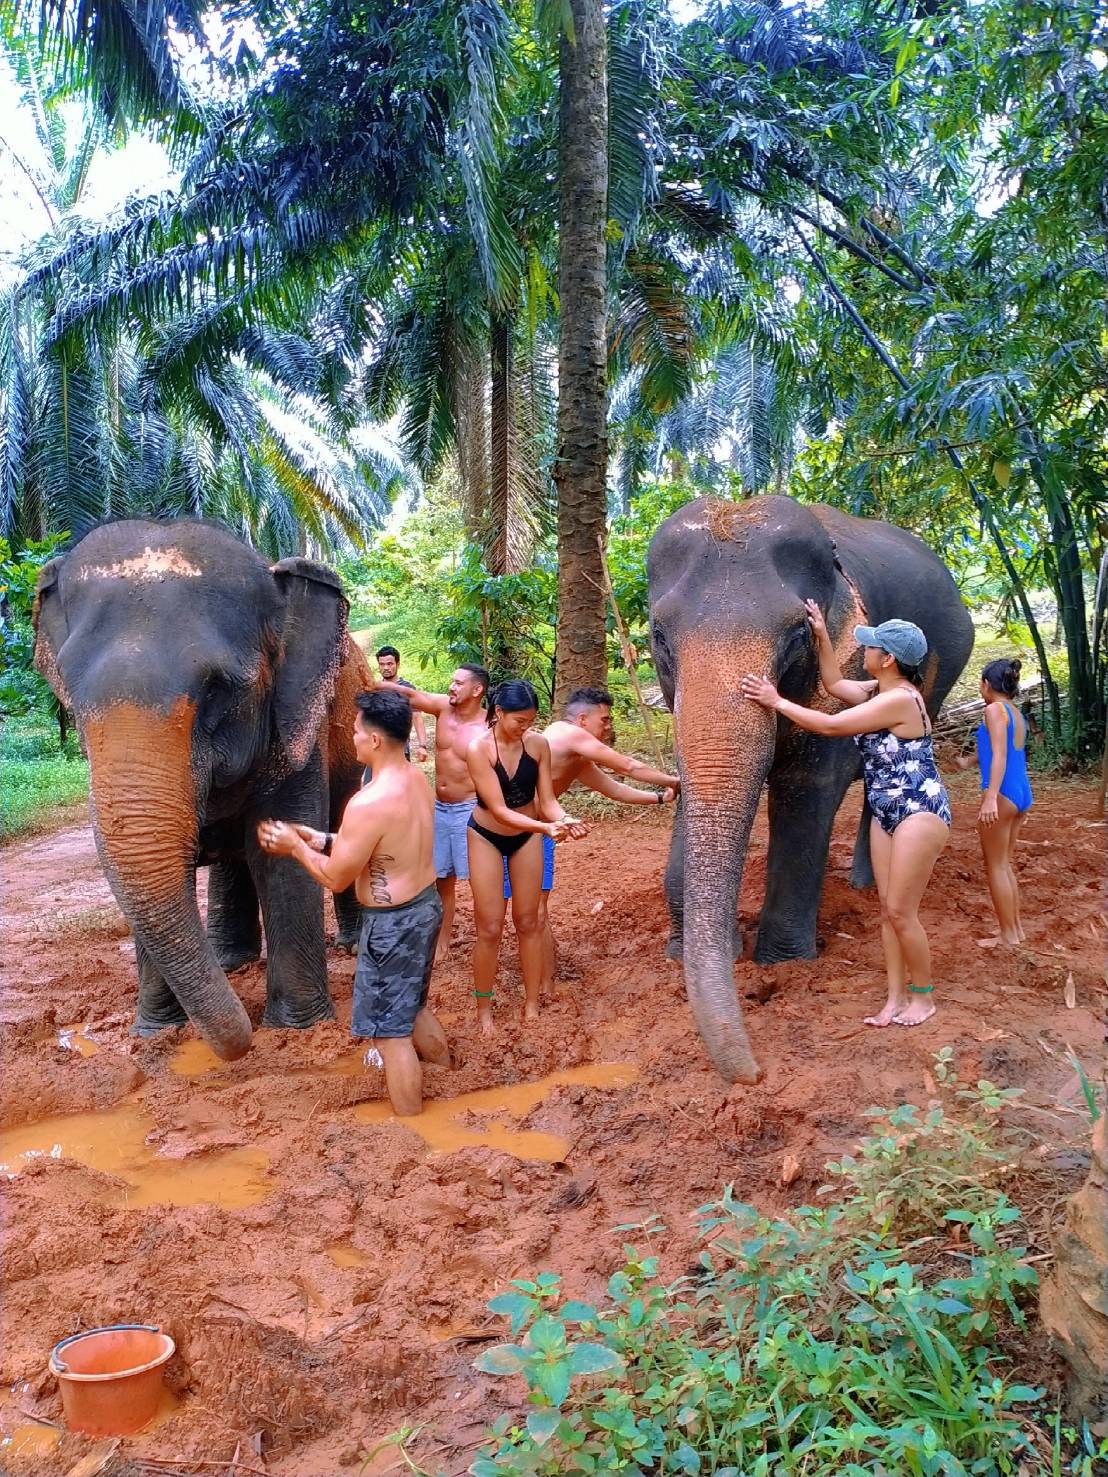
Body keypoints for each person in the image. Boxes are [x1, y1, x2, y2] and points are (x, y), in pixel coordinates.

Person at [741, 605, 950, 1029]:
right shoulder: (878, 690)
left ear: (888, 658)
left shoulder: (900, 701)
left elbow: (830, 725)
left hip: (918, 810)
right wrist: (821, 635)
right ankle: (894, 998)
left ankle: (923, 997)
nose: (865, 649)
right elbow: (835, 684)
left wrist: (775, 700)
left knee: (901, 911)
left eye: (871, 645)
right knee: (888, 912)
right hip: (886, 809)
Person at [257, 690, 449, 1116]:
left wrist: (294, 848)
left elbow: (336, 877)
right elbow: (381, 848)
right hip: (424, 907)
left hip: (392, 926)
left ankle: (413, 1128)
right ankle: (450, 1077)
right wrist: (320, 838)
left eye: (358, 730)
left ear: (376, 740)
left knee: (389, 1033)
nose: (353, 737)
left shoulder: (368, 801)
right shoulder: (415, 779)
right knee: (414, 1007)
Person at [506, 687, 682, 993]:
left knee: (536, 910)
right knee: (523, 911)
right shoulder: (564, 732)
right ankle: (534, 981)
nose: (609, 726)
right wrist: (676, 780)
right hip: (511, 826)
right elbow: (626, 766)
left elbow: (613, 789)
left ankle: (545, 982)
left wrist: (659, 798)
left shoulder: (576, 758)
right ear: (583, 719)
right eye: (605, 719)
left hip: (541, 830)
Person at [465, 680, 586, 1033]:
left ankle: (531, 1004)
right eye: (519, 720)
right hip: (486, 835)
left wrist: (563, 819)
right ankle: (483, 1009)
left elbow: (546, 801)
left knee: (529, 920)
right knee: (489, 927)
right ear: (498, 713)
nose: (525, 728)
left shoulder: (538, 745)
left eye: (530, 721)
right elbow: (499, 811)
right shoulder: (479, 750)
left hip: (529, 834)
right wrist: (545, 828)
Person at [374, 664, 491, 963]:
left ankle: (486, 939)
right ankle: (443, 937)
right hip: (440, 807)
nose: (451, 687)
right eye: (451, 681)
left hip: (470, 809)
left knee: (480, 879)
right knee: (442, 878)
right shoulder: (442, 708)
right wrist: (372, 684)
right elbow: (412, 694)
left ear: (477, 690)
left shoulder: (488, 725)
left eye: (458, 683)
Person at [968, 657, 1032, 945]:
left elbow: (1000, 756)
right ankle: (1015, 930)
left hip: (1002, 792)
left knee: (995, 866)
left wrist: (990, 797)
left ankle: (1007, 935)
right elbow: (1002, 750)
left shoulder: (993, 710)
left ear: (986, 684)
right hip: (1021, 792)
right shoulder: (1014, 712)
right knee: (1004, 865)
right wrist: (968, 760)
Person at [375, 646, 429, 764]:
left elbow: (416, 717)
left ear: (398, 664)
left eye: (390, 664)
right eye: (382, 664)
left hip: (399, 750)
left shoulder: (407, 689)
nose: (386, 668)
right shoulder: (375, 689)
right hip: (376, 751)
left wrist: (422, 746)